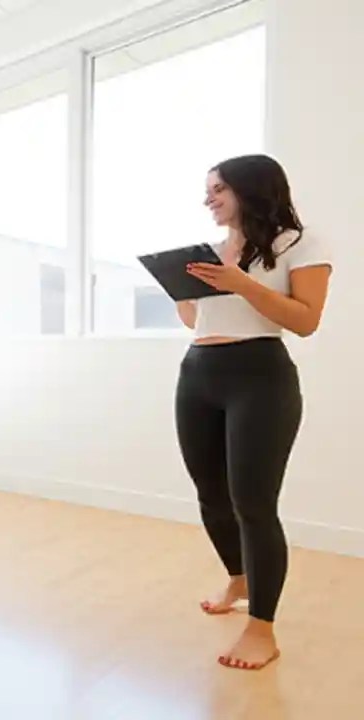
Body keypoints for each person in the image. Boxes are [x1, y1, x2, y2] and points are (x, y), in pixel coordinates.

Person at [176, 153, 332, 671]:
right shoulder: (216, 250)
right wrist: (182, 291)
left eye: (217, 188)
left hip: (260, 375)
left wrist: (240, 281)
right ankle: (238, 579)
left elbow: (305, 321)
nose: (208, 199)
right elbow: (198, 320)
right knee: (211, 496)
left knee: (254, 504)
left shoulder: (298, 243)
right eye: (207, 190)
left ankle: (262, 628)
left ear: (249, 187)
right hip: (198, 372)